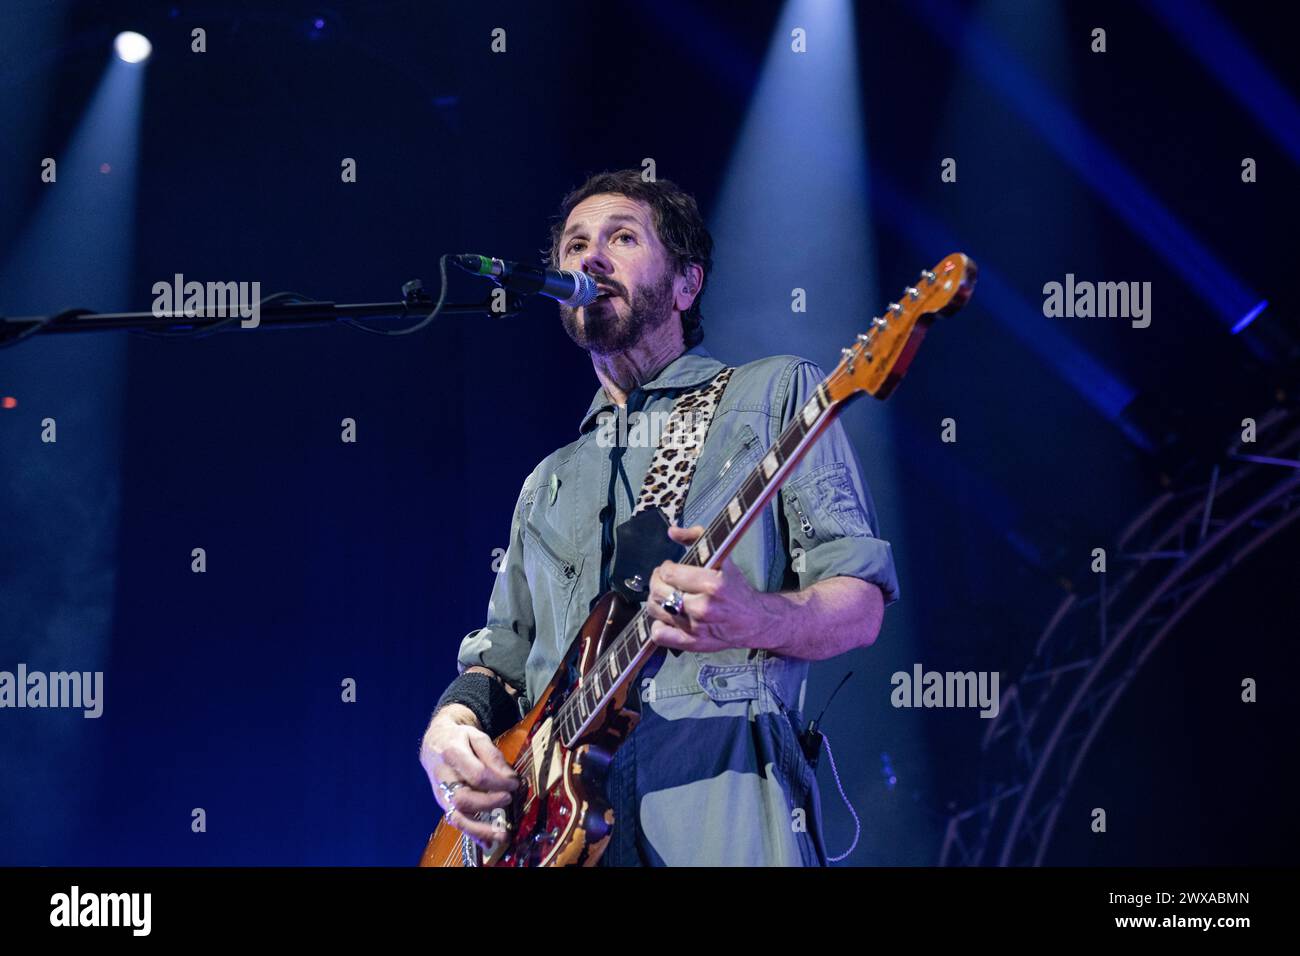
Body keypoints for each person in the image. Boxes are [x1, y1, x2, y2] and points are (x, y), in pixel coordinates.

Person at [419, 169, 899, 866]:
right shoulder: (547, 481)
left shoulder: (771, 395)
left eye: (620, 237)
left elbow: (861, 605)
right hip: (556, 835)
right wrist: (451, 726)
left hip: (716, 804)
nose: (589, 258)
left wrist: (756, 618)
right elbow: (502, 660)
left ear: (686, 285)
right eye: (575, 245)